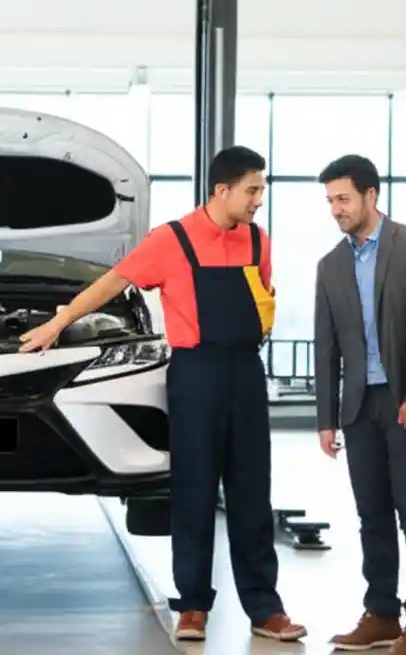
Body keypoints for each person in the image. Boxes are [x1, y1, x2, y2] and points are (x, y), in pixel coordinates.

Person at [18, 145, 306, 643]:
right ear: (222, 190)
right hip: (196, 373)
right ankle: (192, 605)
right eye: (252, 190)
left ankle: (265, 608)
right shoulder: (172, 239)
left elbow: (263, 297)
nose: (259, 199)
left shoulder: (258, 240)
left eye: (261, 190)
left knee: (251, 491)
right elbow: (113, 283)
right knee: (194, 489)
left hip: (245, 371)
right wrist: (59, 322)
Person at [313, 154, 406, 655]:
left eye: (344, 198)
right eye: (331, 200)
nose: (336, 209)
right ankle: (382, 614)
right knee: (371, 514)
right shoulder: (331, 265)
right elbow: (325, 345)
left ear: (371, 195)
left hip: (404, 401)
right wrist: (326, 418)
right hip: (358, 407)